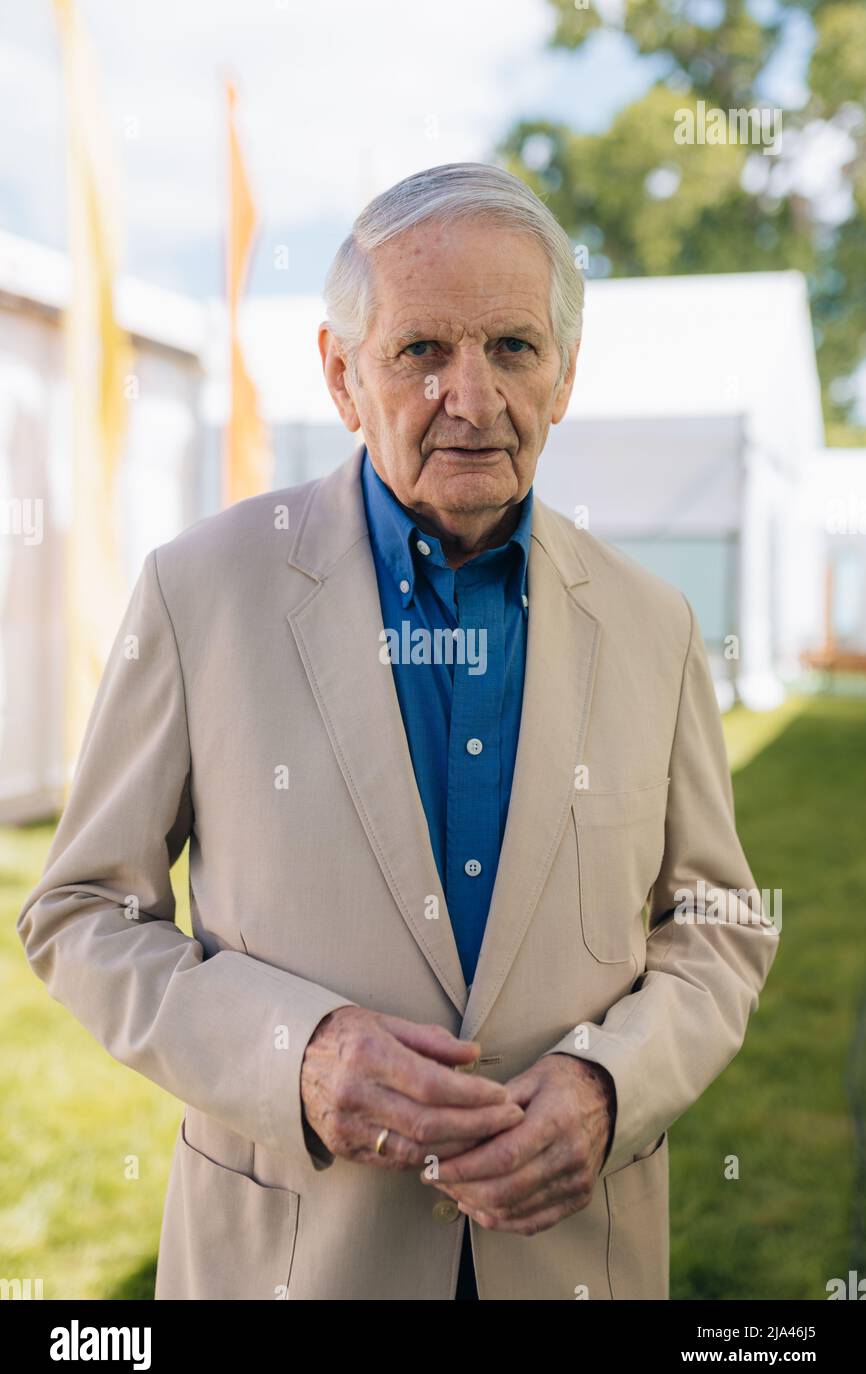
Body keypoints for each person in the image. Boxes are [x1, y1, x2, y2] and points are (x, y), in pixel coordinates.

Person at [17, 162, 779, 1300]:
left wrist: (609, 1089)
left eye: (512, 348)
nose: (469, 398)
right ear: (341, 373)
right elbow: (80, 912)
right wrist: (299, 1056)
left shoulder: (652, 624)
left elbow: (714, 922)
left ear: (562, 373)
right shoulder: (202, 592)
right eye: (421, 351)